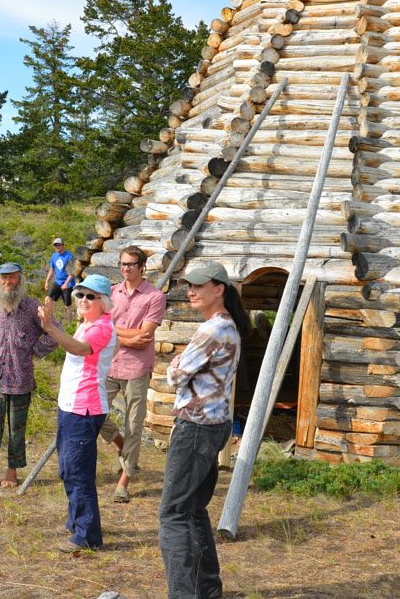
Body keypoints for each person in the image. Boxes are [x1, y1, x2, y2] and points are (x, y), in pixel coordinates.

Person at [158, 262, 251, 599]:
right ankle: (208, 590)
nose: (191, 291)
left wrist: (175, 365)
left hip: (196, 427)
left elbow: (175, 376)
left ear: (219, 289)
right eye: (188, 285)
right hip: (215, 426)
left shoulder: (213, 330)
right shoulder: (228, 327)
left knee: (173, 515)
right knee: (194, 510)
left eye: (199, 285)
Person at [37, 273, 117, 553]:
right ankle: (77, 522)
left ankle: (87, 536)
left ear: (103, 303)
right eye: (80, 294)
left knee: (79, 474)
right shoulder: (89, 323)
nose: (83, 299)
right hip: (71, 406)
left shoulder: (102, 328)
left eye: (90, 296)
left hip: (84, 409)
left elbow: (78, 349)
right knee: (68, 469)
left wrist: (49, 327)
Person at [0, 262, 58, 491]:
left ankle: (12, 472)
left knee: (16, 429)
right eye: (3, 278)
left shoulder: (33, 307)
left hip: (20, 378)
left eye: (12, 278)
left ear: (20, 280)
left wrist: (32, 351)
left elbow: (55, 333)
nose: (7, 282)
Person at [98, 246, 166, 503]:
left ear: (142, 266)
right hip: (110, 365)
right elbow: (102, 326)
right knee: (95, 414)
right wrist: (125, 334)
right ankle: (121, 445)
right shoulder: (111, 292)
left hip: (136, 369)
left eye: (131, 264)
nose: (125, 268)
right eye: (122, 264)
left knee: (134, 424)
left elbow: (145, 337)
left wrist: (113, 333)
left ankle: (123, 483)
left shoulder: (155, 296)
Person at [44, 237, 76, 325]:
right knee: (48, 299)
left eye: (59, 245)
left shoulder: (69, 256)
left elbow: (72, 271)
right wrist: (47, 282)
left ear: (63, 245)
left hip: (68, 283)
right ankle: (49, 321)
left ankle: (69, 325)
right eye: (55, 245)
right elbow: (51, 269)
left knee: (67, 306)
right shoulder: (54, 256)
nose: (57, 247)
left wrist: (66, 284)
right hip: (57, 281)